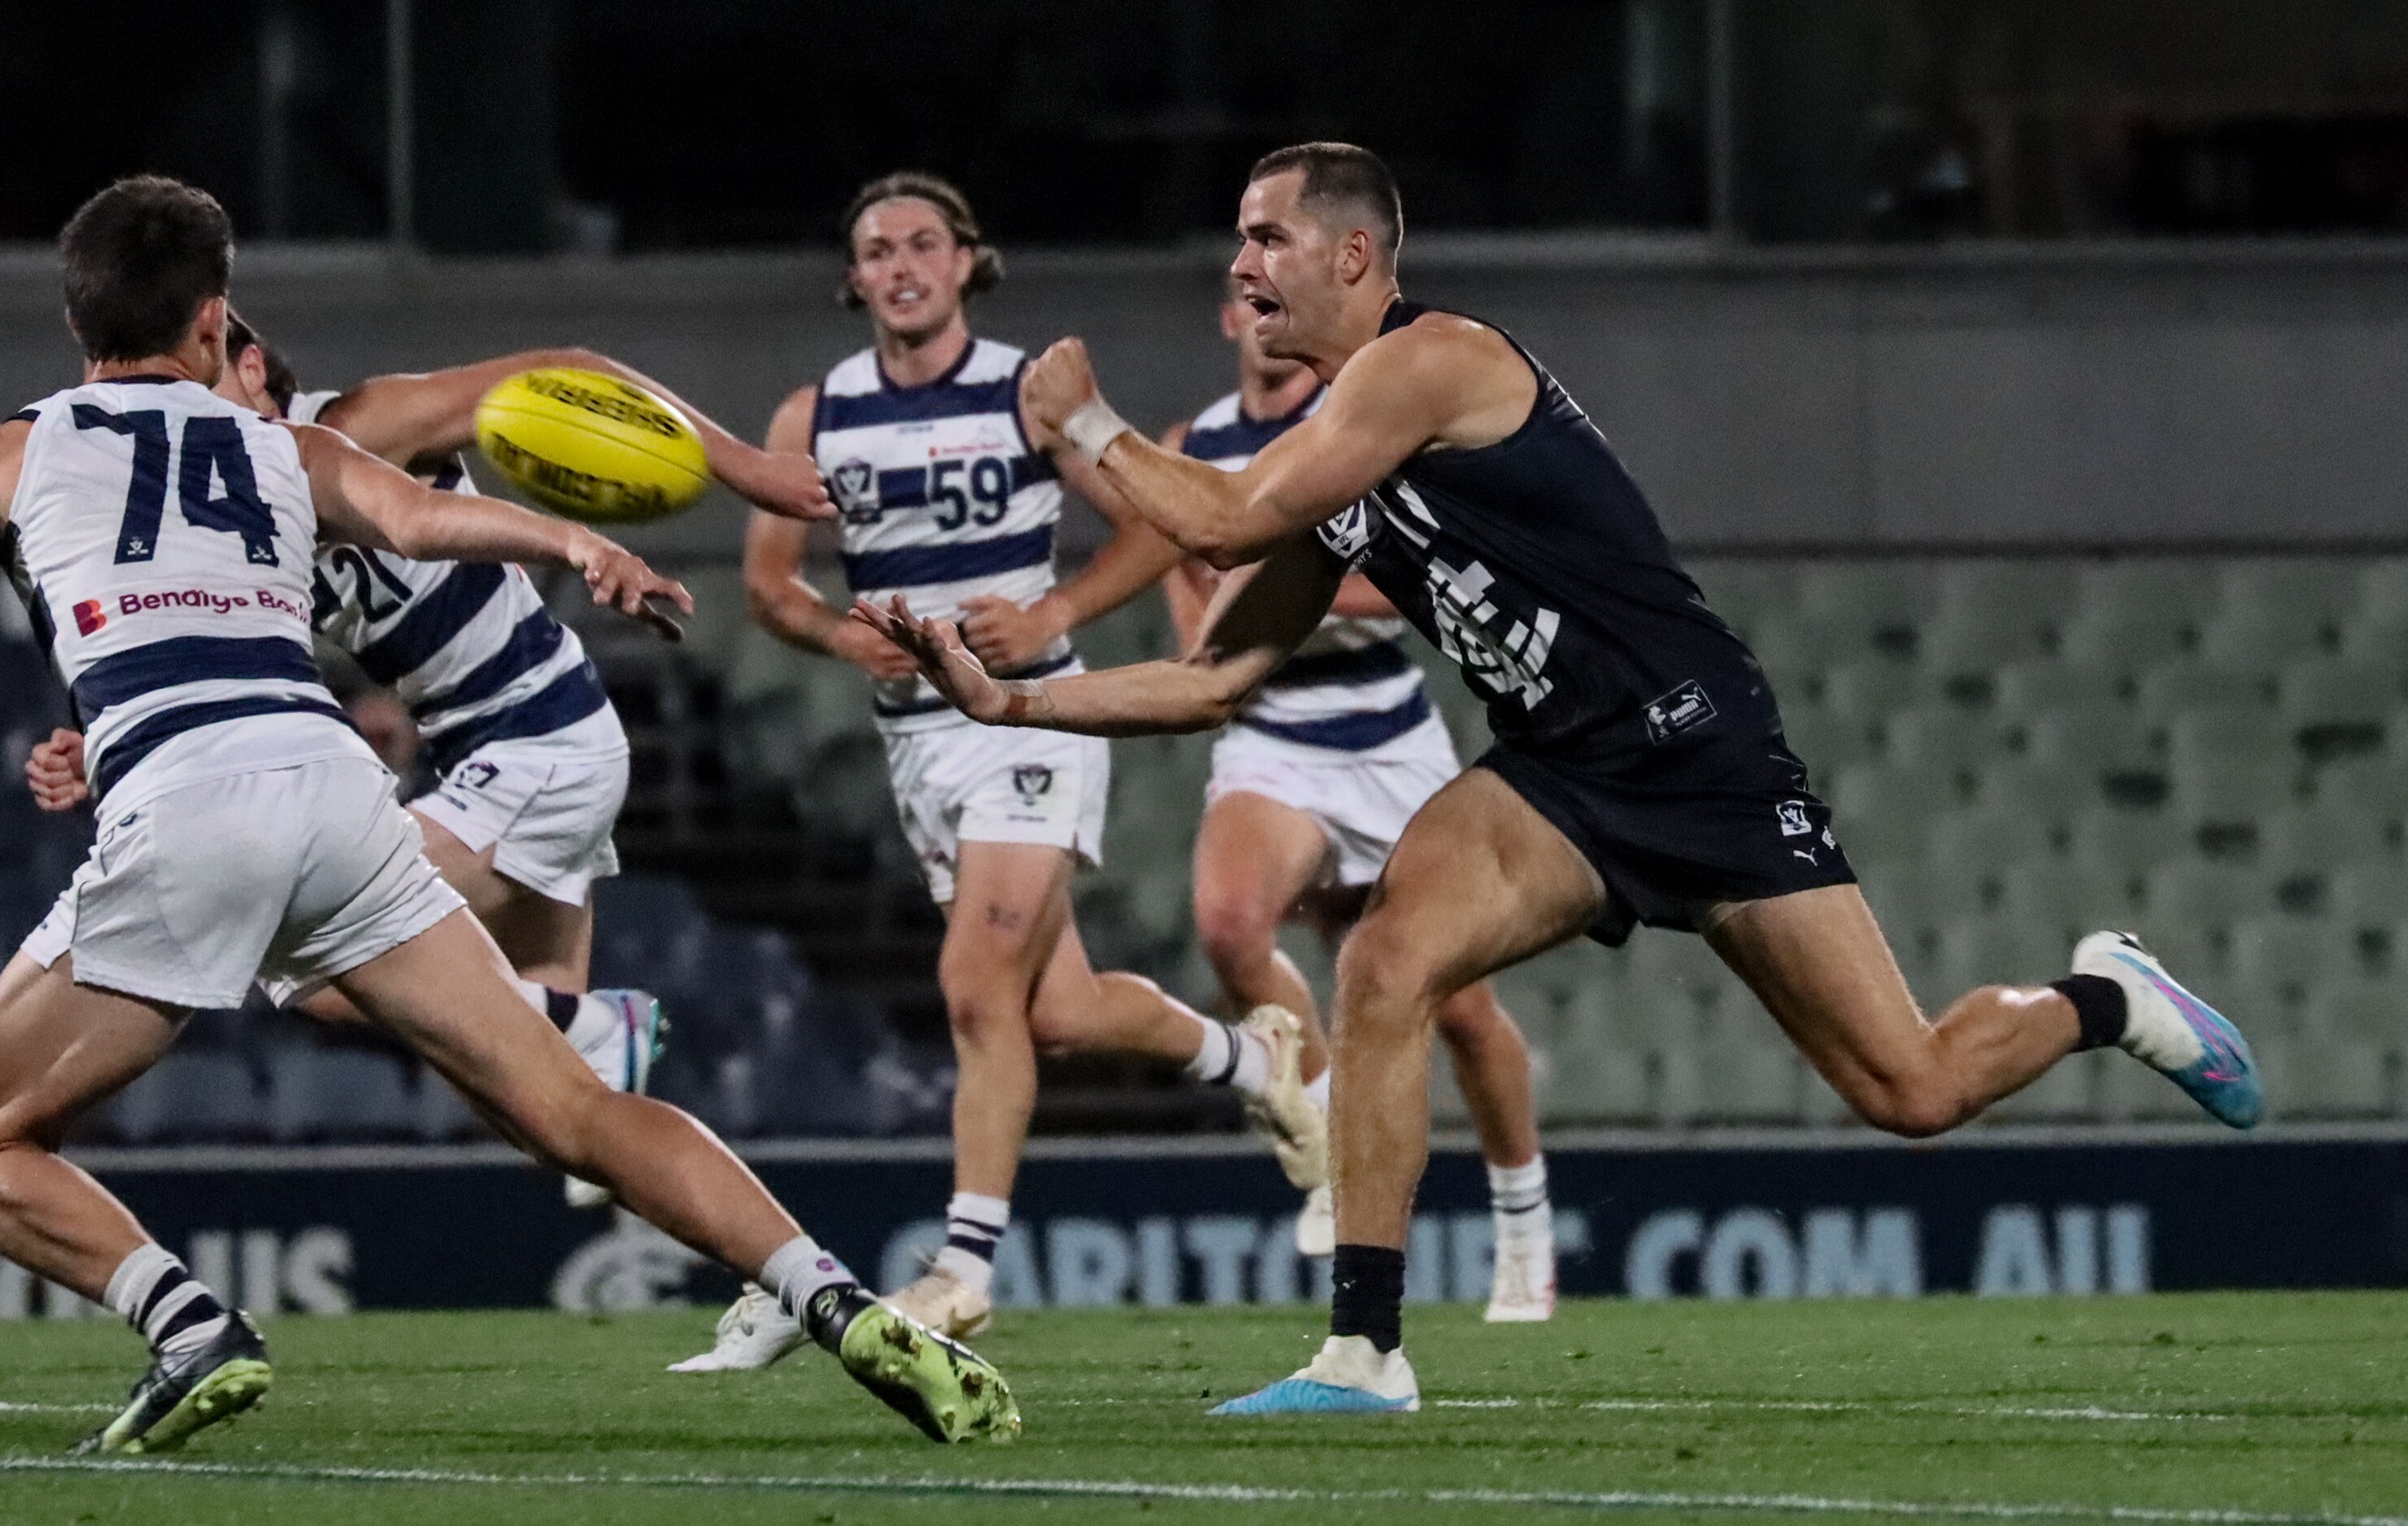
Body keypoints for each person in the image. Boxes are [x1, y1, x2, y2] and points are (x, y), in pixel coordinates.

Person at [856, 142, 2262, 1415]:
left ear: (1353, 254)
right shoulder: (1341, 456)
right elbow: (1217, 679)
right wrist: (1013, 698)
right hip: (1561, 771)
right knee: (1385, 962)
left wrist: (1084, 426)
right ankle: (1363, 1351)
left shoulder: (1431, 359)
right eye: (1240, 239)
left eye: (1266, 236)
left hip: (1697, 750)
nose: (1241, 265)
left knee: (1913, 1091)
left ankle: (2111, 997)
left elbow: (1219, 519)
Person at [0, 176, 1016, 1450]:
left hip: (202, 804)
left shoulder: (10, 454)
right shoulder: (290, 447)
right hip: (336, 794)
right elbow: (418, 518)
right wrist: (571, 544)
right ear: (210, 320)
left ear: (78, 327)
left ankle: (188, 1325)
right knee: (575, 1112)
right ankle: (838, 1300)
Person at [675, 172, 1326, 1372]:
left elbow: (1159, 522)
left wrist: (1054, 612)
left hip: (1030, 719)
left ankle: (963, 1269)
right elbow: (770, 587)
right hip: (915, 736)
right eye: (878, 250)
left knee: (975, 984)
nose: (901, 265)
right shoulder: (817, 413)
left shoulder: (1026, 393)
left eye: (923, 243)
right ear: (854, 277)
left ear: (969, 261)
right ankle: (1254, 1058)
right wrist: (838, 637)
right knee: (1055, 1012)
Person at [23, 313, 837, 1210]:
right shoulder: (237, 499)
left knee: (304, 946)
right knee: (554, 1115)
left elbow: (562, 366)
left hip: (538, 739)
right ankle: (765, 1264)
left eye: (201, 387)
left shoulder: (357, 425)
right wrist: (103, 744)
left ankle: (606, 1027)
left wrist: (746, 467)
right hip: (489, 749)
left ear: (251, 366)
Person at [1161, 287, 1554, 1319]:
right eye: (1242, 299)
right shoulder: (1192, 446)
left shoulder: (1362, 418)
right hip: (1274, 729)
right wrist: (1263, 606)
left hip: (1384, 735)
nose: (1260, 314)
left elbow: (1410, 585)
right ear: (1227, 320)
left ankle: (1524, 1222)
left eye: (1274, 296)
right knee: (1229, 924)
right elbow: (1194, 616)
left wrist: (1288, 590)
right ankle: (1334, 1144)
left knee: (1459, 1006)